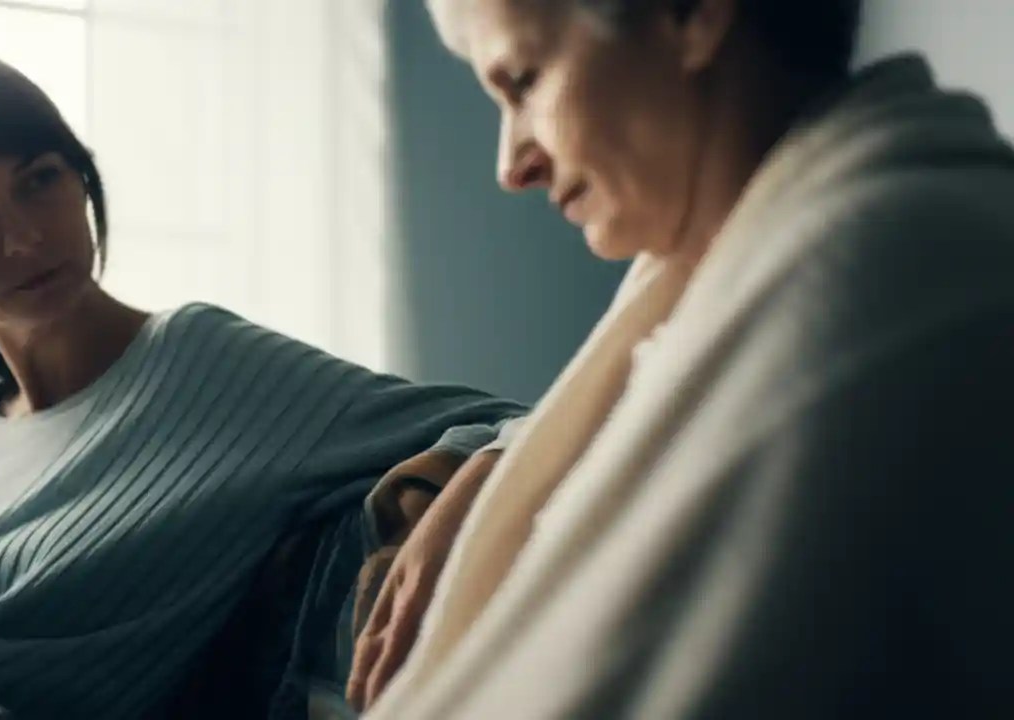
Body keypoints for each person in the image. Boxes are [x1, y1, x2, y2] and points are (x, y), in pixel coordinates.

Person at [0, 48, 527, 719]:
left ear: (81, 181)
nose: (25, 236)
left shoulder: (206, 361)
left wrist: (456, 501)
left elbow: (520, 421)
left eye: (40, 180)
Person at [355, 0, 1014, 717]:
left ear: (692, 13)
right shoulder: (701, 262)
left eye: (524, 80)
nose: (512, 165)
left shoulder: (876, 283)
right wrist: (491, 467)